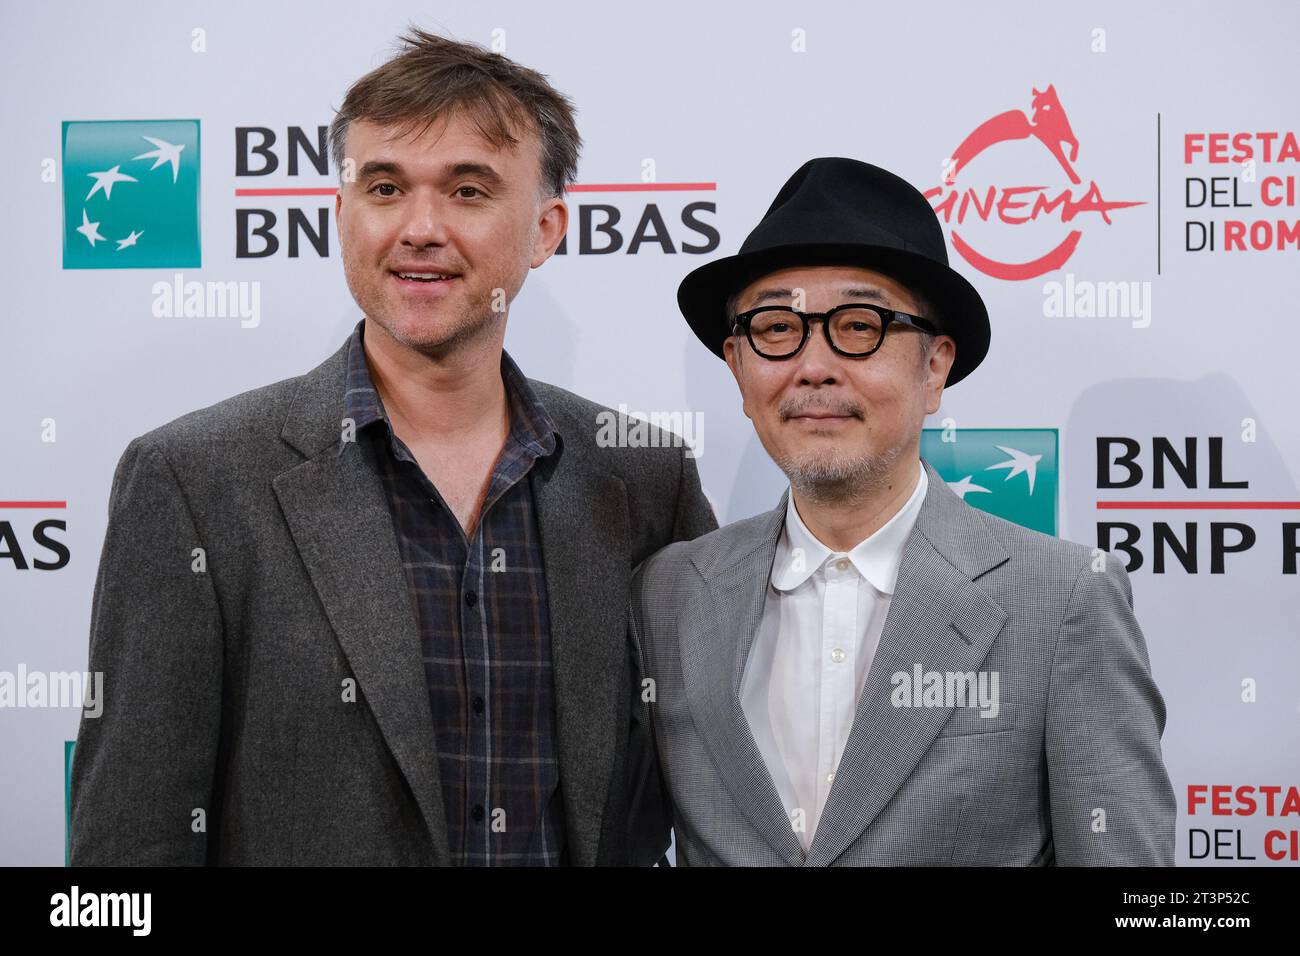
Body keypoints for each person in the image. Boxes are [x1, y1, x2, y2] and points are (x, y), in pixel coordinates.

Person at [70, 28, 714, 866]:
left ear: (546, 229)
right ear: (343, 215)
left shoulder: (640, 474)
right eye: (384, 186)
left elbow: (705, 786)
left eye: (469, 190)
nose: (419, 228)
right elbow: (129, 849)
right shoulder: (194, 481)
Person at [630, 156, 1176, 865]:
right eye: (774, 328)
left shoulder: (1065, 600)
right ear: (737, 366)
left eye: (859, 325)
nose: (814, 365)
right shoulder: (669, 593)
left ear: (935, 366)